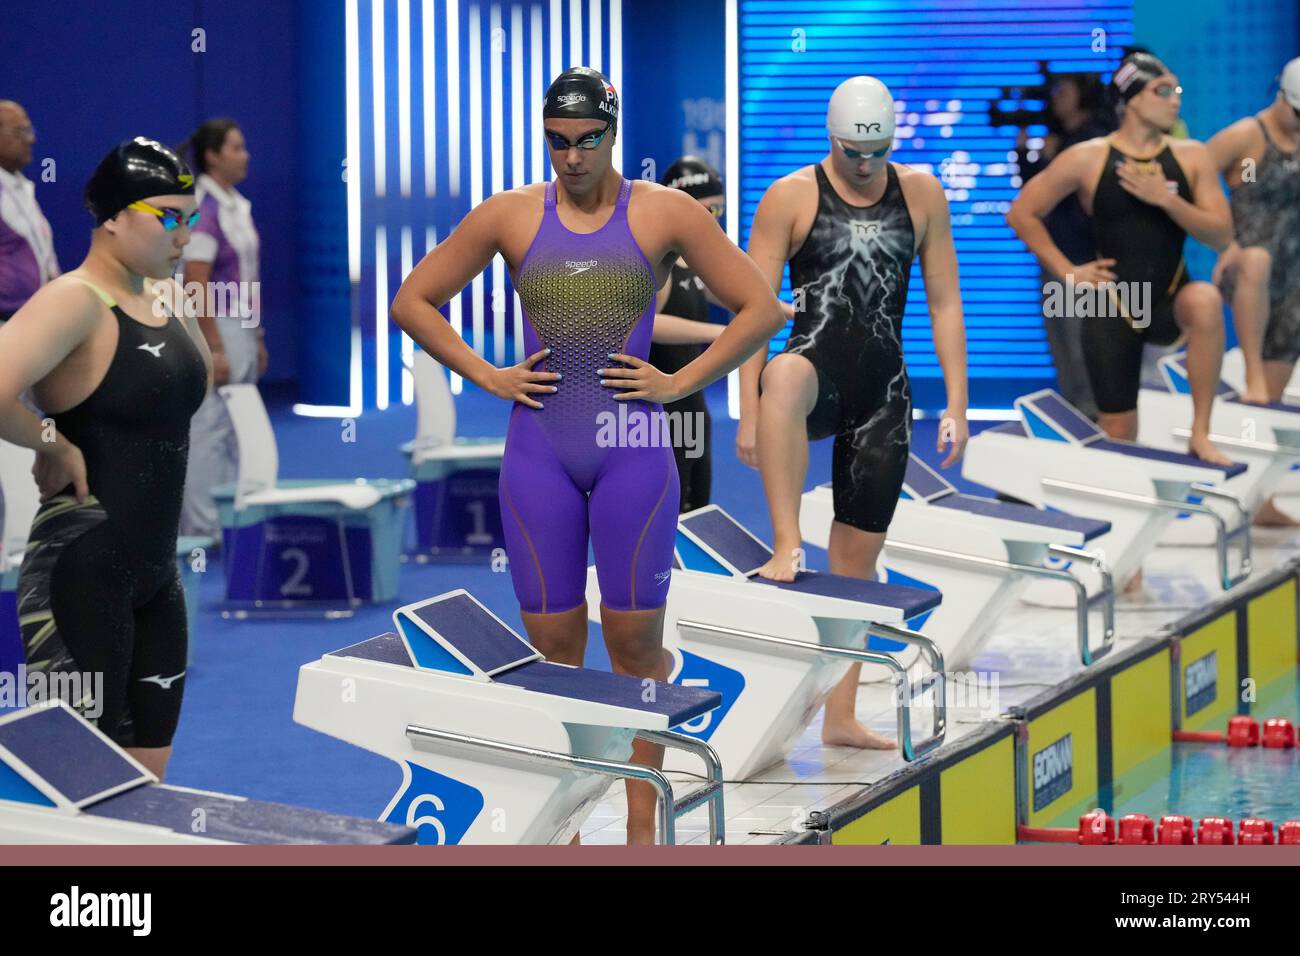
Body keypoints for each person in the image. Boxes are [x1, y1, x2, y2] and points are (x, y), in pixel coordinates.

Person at [391, 67, 784, 843]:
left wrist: (679, 384)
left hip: (633, 450)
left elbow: (762, 307)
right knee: (554, 651)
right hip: (538, 453)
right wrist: (488, 374)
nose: (571, 157)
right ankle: (564, 829)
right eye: (558, 142)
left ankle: (642, 823)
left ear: (612, 135)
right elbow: (411, 300)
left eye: (587, 140)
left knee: (636, 644)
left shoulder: (663, 213)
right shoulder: (507, 216)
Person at [739, 76, 969, 749]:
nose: (865, 164)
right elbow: (754, 312)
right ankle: (786, 541)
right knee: (782, 374)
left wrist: (957, 402)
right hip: (816, 375)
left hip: (882, 392)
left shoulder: (922, 193)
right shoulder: (790, 196)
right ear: (831, 137)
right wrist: (750, 413)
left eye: (877, 152)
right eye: (852, 152)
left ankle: (840, 715)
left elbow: (945, 301)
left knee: (856, 563)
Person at [0, 138, 212, 778]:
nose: (183, 236)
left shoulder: (169, 299)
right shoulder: (75, 300)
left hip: (156, 575)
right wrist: (51, 442)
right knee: (79, 779)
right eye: (167, 218)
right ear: (113, 216)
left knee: (148, 774)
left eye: (191, 219)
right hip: (80, 575)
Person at [1007, 52, 1233, 467]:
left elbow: (1221, 232)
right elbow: (1022, 213)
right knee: (1119, 434)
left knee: (1204, 300)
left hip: (1168, 297)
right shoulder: (1089, 157)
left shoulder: (1191, 156)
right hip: (1113, 302)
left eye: (1177, 90)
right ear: (1131, 98)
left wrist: (1167, 200)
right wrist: (1067, 271)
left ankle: (1201, 432)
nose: (1175, 99)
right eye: (1163, 90)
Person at [178, 118, 262, 540]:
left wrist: (256, 335)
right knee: (208, 425)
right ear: (212, 156)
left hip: (240, 327)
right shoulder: (202, 209)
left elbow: (246, 276)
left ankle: (225, 518)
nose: (245, 154)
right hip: (216, 328)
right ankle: (202, 525)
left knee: (232, 427)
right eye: (236, 147)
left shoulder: (235, 204)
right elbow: (196, 284)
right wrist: (212, 346)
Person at [1017, 74, 1115, 419]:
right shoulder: (1061, 142)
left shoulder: (1093, 142)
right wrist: (1026, 152)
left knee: (1084, 349)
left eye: (1063, 90)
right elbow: (1030, 203)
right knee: (1062, 348)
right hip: (1057, 259)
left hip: (1087, 261)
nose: (1056, 98)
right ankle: (1078, 417)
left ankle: (1098, 422)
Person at [649, 155, 729, 512]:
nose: (717, 223)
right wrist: (719, 332)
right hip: (659, 410)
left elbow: (735, 293)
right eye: (710, 212)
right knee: (667, 507)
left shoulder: (690, 262)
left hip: (691, 405)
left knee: (697, 505)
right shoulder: (656, 263)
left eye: (720, 212)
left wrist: (787, 310)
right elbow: (646, 323)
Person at [0, 100, 59, 324]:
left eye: (29, 130)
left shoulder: (21, 187)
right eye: (20, 131)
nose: (31, 139)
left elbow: (44, 258)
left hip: (31, 321)